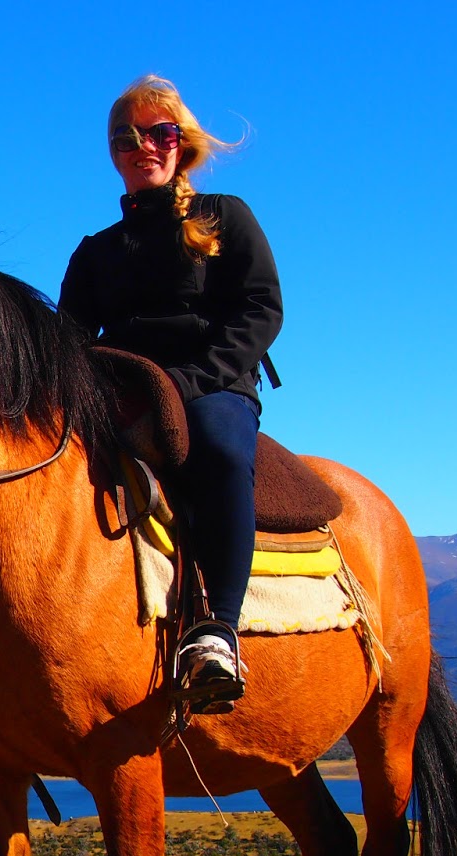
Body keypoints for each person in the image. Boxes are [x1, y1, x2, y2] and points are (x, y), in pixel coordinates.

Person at [59, 74, 282, 711]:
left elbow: (262, 310)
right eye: (127, 137)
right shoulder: (94, 252)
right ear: (114, 152)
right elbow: (69, 343)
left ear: (180, 143)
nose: (144, 147)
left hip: (213, 384)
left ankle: (219, 631)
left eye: (160, 133)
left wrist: (191, 380)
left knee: (216, 450)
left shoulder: (225, 217)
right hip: (119, 391)